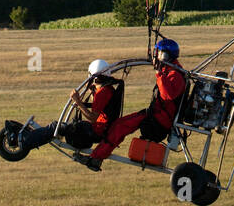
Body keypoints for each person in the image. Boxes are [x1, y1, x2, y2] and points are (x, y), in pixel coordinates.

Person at [74, 37, 187, 172]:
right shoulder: (172, 71)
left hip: (159, 120)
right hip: (156, 114)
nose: (156, 56)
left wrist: (158, 73)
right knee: (119, 125)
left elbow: (167, 95)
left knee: (119, 127)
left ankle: (95, 159)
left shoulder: (175, 74)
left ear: (165, 55)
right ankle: (97, 157)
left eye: (158, 53)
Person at [19, 59, 122, 153]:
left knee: (56, 126)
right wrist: (91, 91)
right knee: (61, 127)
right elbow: (98, 108)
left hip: (93, 133)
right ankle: (30, 139)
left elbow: (93, 118)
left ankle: (25, 141)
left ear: (93, 77)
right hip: (99, 131)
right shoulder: (107, 90)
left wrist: (78, 102)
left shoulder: (103, 93)